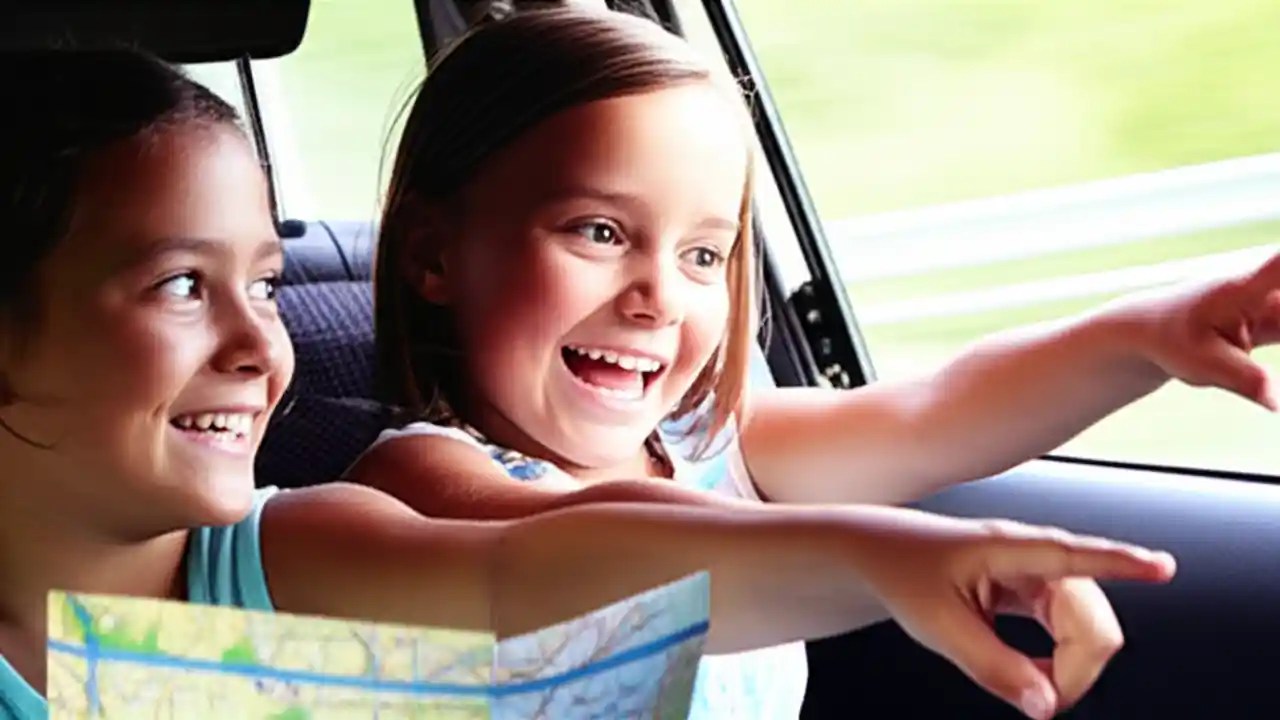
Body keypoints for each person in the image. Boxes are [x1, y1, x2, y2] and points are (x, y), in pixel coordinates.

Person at [0, 47, 1178, 720]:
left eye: (264, 284)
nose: (266, 350)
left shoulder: (286, 560)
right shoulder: (415, 472)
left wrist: (878, 553)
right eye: (176, 289)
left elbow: (542, 570)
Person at [349, 4, 1279, 719]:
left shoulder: (716, 446)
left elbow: (937, 412)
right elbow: (581, 551)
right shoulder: (419, 485)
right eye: (599, 232)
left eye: (703, 255)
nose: (660, 296)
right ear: (434, 256)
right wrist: (875, 554)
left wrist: (1141, 338)